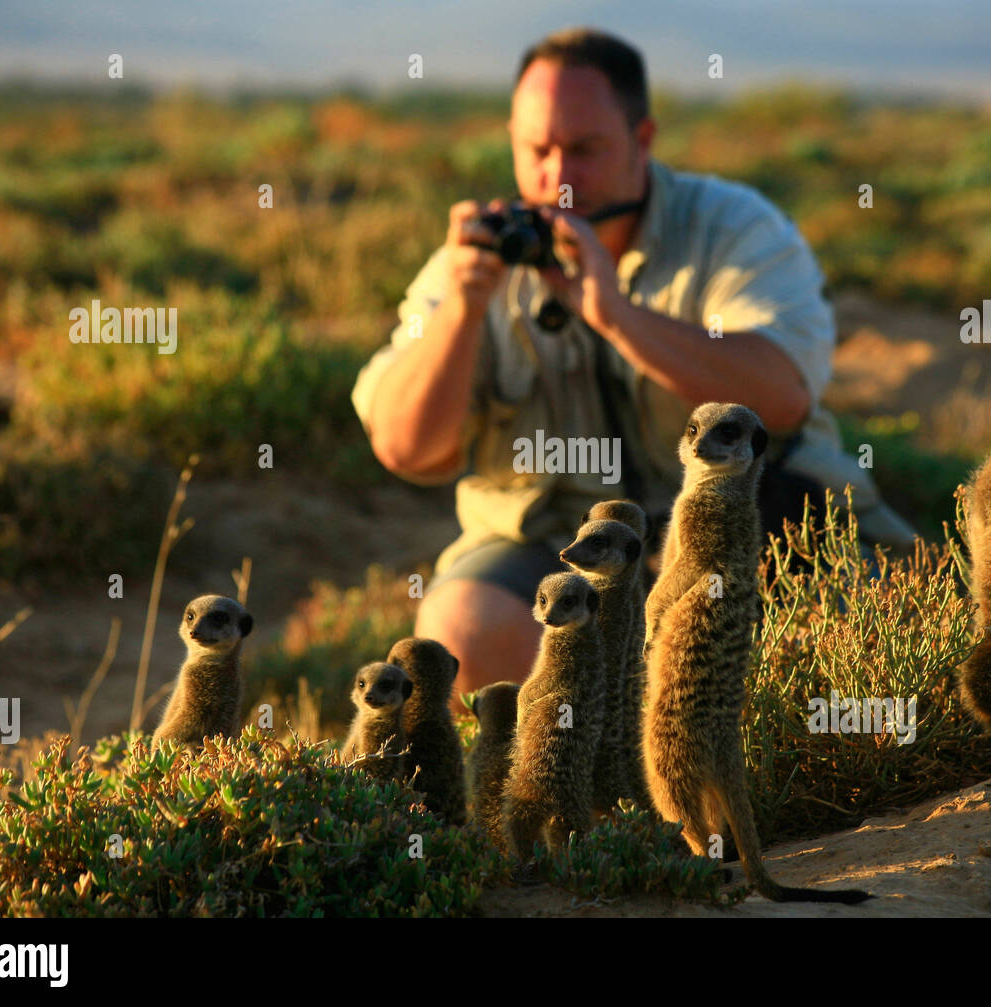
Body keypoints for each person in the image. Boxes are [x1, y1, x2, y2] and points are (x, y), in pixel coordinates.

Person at [352, 27, 917, 707]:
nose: (557, 179)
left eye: (585, 150)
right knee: (458, 632)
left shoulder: (734, 228)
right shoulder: (471, 264)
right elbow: (405, 446)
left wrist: (618, 316)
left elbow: (784, 394)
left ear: (642, 139)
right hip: (560, 546)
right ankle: (599, 773)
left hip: (742, 533)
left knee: (842, 649)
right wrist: (463, 315)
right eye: (537, 150)